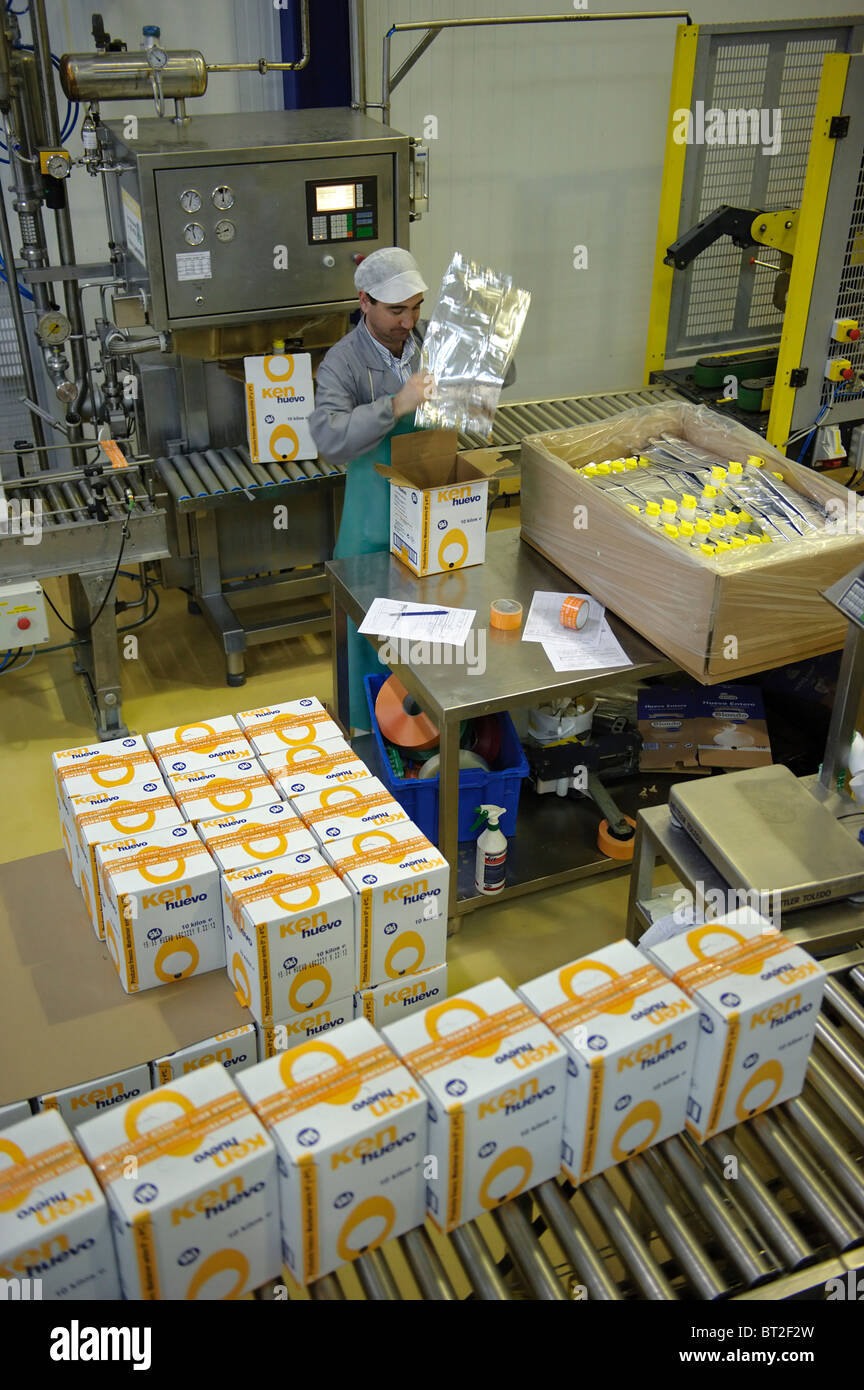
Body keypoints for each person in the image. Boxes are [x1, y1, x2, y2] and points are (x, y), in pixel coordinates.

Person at [309, 246, 514, 731]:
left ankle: (442, 729)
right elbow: (330, 439)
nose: (409, 320)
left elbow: (500, 378)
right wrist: (395, 404)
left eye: (417, 307)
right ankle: (373, 735)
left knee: (441, 625)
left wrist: (488, 336)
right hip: (374, 522)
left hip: (437, 514)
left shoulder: (431, 343)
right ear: (365, 302)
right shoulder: (343, 362)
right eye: (396, 310)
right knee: (374, 636)